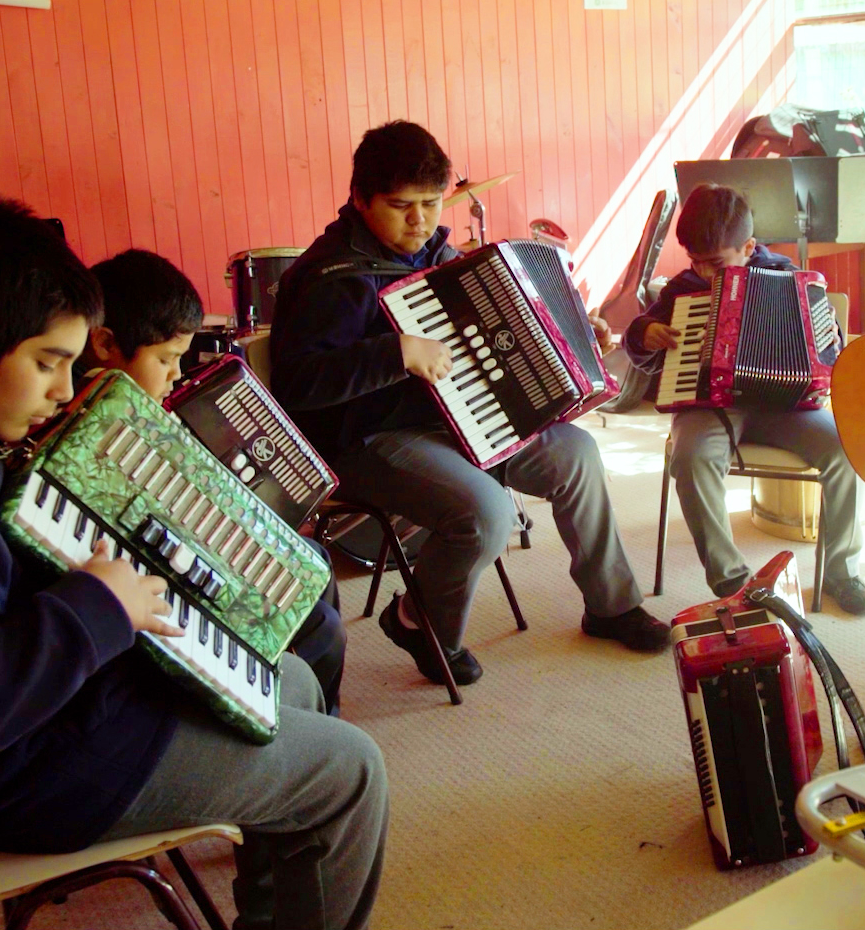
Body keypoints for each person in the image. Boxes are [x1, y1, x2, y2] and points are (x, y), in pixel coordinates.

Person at [0, 197, 387, 930]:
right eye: (46, 363)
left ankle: (275, 882)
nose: (63, 391)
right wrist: (95, 608)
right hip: (17, 770)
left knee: (291, 677)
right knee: (351, 771)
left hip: (37, 713)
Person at [269, 121, 670, 688]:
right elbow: (296, 387)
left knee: (576, 453)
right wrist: (394, 353)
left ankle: (611, 606)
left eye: (431, 204)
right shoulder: (327, 277)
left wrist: (579, 330)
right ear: (358, 199)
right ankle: (420, 622)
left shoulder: (439, 253)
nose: (419, 221)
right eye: (400, 206)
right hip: (370, 440)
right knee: (487, 512)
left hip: (463, 416)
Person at [84, 247, 352, 715]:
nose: (174, 376)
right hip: (173, 562)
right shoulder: (93, 416)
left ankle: (319, 709)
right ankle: (302, 712)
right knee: (323, 630)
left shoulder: (142, 402)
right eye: (166, 360)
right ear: (106, 345)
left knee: (318, 563)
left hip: (197, 532)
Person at [622, 183, 865, 613]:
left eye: (716, 263)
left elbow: (828, 353)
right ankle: (735, 585)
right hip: (708, 405)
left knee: (845, 447)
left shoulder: (789, 278)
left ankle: (841, 572)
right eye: (695, 262)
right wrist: (643, 335)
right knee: (690, 458)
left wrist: (827, 335)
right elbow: (641, 347)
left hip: (785, 406)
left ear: (749, 247)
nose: (703, 273)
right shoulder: (681, 291)